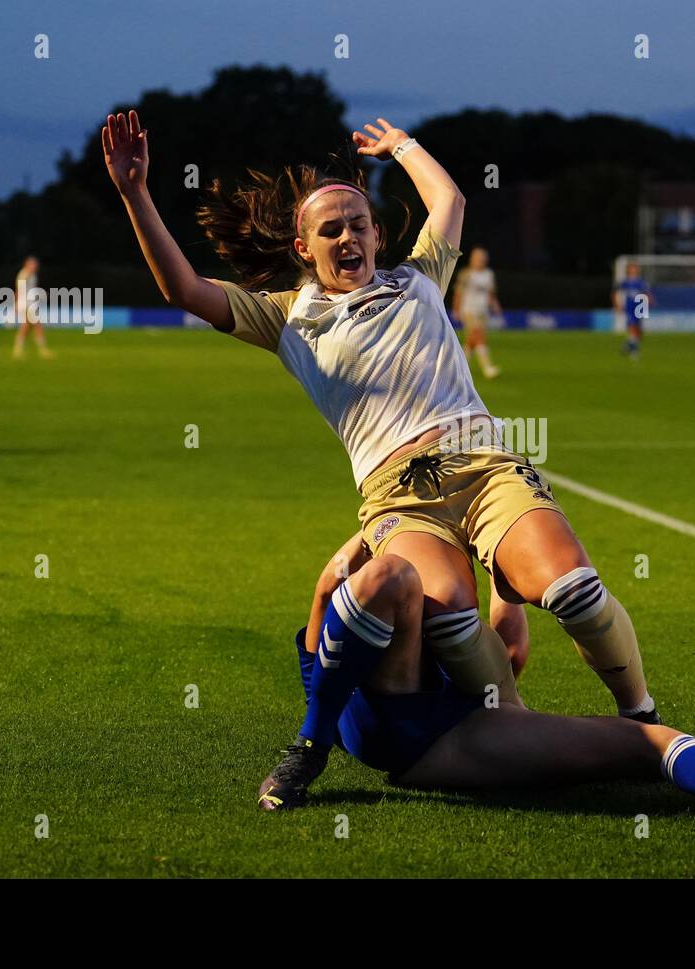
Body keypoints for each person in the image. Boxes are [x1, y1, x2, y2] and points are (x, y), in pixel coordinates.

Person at [102, 110, 660, 804]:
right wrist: (134, 193)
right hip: (400, 500)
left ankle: (641, 715)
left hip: (482, 465)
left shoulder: (421, 276)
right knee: (456, 621)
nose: (348, 236)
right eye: (330, 229)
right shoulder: (286, 318)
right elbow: (183, 289)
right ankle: (513, 723)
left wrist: (403, 148)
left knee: (573, 589)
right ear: (304, 247)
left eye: (358, 223)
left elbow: (450, 201)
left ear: (375, 232)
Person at [259, 538, 695, 820]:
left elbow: (503, 665)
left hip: (438, 741)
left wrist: (508, 591)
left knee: (648, 746)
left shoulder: (448, 611)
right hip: (389, 728)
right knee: (383, 575)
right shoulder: (372, 570)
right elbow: (332, 607)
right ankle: (305, 749)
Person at [452, 246, 501, 378]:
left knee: (471, 340)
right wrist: (456, 309)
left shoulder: (488, 274)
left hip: (483, 311)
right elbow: (458, 293)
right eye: (478, 258)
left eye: (483, 258)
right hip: (469, 310)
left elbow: (490, 292)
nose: (481, 260)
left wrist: (494, 304)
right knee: (478, 336)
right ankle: (487, 367)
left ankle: (459, 367)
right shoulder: (466, 274)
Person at [12, 255, 54, 360]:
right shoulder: (24, 274)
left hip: (30, 303)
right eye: (33, 264)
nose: (35, 266)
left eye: (36, 264)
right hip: (25, 304)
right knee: (37, 325)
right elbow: (18, 289)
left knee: (27, 326)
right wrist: (16, 303)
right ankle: (43, 350)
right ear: (27, 264)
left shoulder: (33, 275)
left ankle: (18, 349)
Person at [613, 261, 651, 359]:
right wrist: (617, 304)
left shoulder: (641, 282)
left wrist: (649, 302)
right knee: (632, 327)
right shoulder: (625, 282)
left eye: (635, 268)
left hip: (640, 307)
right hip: (629, 307)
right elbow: (614, 292)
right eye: (632, 268)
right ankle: (634, 352)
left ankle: (627, 345)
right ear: (628, 270)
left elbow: (647, 294)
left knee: (639, 332)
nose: (634, 270)